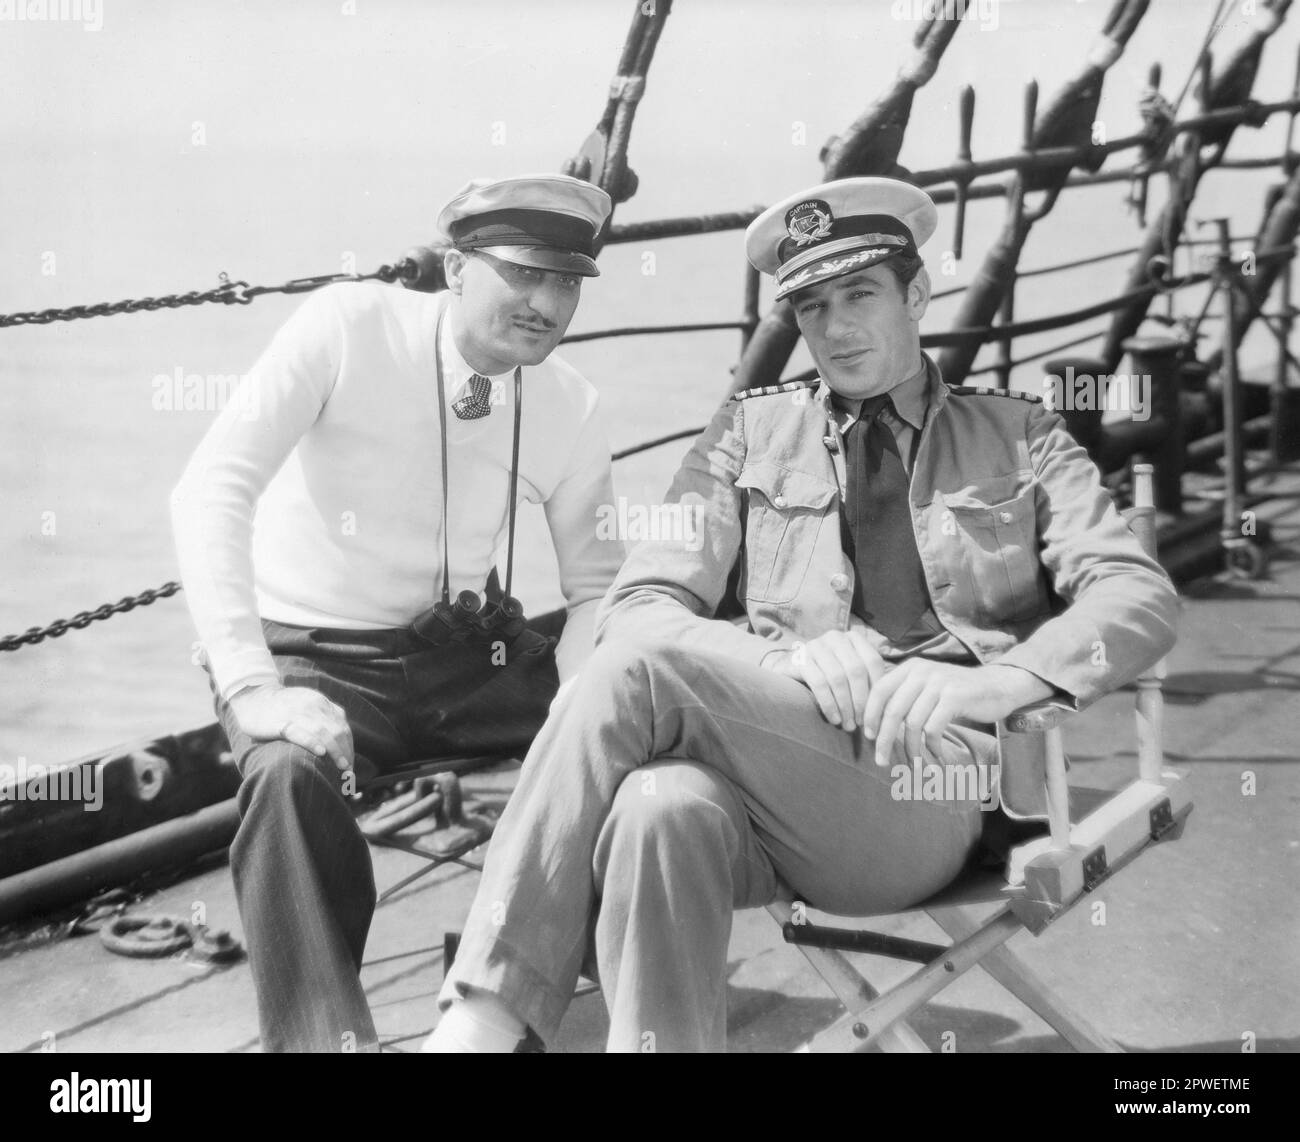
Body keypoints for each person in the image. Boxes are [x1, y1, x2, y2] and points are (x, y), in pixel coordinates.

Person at [425, 176, 1179, 1053]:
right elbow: (638, 606)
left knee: (632, 680)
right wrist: (779, 662)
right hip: (778, 781)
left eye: (860, 293)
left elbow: (1136, 592)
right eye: (813, 306)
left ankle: (481, 1022)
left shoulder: (1019, 434)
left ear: (919, 293)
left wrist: (1002, 684)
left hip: (943, 782)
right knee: (660, 806)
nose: (836, 327)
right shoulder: (746, 434)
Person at [169, 173, 625, 1052]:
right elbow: (208, 492)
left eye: (565, 282)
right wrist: (251, 686)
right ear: (455, 268)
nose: (544, 301)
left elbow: (597, 587)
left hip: (470, 661)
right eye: (522, 274)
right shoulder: (348, 329)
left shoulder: (569, 401)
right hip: (314, 658)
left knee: (627, 726)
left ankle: (509, 993)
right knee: (286, 781)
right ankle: (322, 1038)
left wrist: (579, 706)